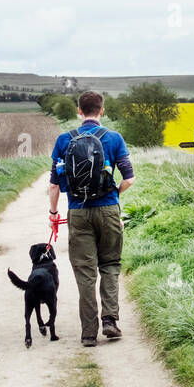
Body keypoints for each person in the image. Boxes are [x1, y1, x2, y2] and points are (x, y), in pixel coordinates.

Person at [49, 91, 134, 346]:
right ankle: (110, 320)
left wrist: (53, 213)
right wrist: (113, 196)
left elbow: (54, 185)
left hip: (78, 212)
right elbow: (129, 178)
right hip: (108, 209)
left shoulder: (64, 140)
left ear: (79, 110)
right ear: (102, 111)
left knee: (85, 273)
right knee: (110, 265)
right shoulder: (114, 138)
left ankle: (88, 333)